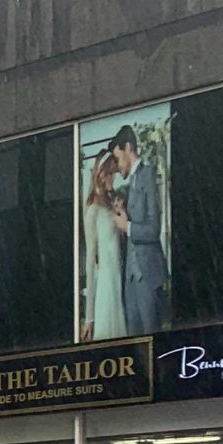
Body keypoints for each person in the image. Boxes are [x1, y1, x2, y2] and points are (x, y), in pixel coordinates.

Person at [113, 127, 168, 334]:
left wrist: (126, 226)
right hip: (131, 280)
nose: (118, 167)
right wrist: (123, 214)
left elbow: (153, 230)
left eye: (118, 159)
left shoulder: (148, 175)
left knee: (152, 342)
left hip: (147, 275)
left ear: (128, 148)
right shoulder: (132, 183)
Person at [83, 145, 127, 342]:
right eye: (110, 173)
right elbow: (90, 262)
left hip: (120, 279)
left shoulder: (111, 204)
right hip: (107, 284)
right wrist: (89, 316)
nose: (114, 177)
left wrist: (120, 214)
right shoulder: (93, 210)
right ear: (101, 175)